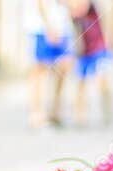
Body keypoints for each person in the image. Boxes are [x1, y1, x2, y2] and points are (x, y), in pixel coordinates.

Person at [26, 0, 74, 128]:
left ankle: (55, 109)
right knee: (39, 69)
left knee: (64, 68)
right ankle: (36, 112)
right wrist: (49, 27)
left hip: (63, 28)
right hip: (41, 28)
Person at [71, 0, 113, 127]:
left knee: (103, 81)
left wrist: (108, 39)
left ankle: (107, 112)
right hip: (82, 50)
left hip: (98, 48)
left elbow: (102, 18)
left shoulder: (92, 5)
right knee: (81, 83)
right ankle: (80, 116)